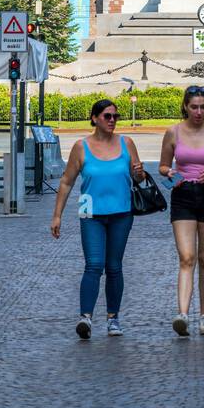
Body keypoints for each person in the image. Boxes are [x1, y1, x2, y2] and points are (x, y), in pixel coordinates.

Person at [52, 99, 145, 339]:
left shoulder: (127, 143)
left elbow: (139, 178)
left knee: (114, 266)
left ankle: (113, 318)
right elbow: (66, 182)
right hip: (89, 210)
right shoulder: (81, 147)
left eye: (115, 116)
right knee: (93, 264)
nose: (112, 120)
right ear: (94, 118)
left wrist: (139, 173)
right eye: (107, 116)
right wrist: (57, 216)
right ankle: (86, 318)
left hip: (121, 211)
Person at [158, 85, 204, 336]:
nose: (199, 112)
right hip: (183, 195)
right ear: (185, 107)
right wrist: (169, 172)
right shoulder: (173, 132)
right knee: (187, 257)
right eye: (194, 107)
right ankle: (183, 314)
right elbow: (163, 166)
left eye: (203, 107)